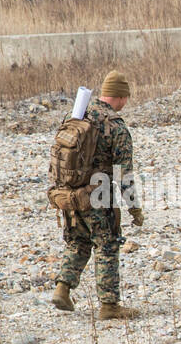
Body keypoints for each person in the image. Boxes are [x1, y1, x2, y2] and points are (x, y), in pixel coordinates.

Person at [51, 70, 145, 319]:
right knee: (107, 245)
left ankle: (62, 289)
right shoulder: (115, 126)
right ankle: (110, 305)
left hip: (69, 193)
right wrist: (134, 208)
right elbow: (124, 174)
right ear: (121, 97)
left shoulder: (76, 114)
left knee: (78, 241)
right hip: (97, 194)